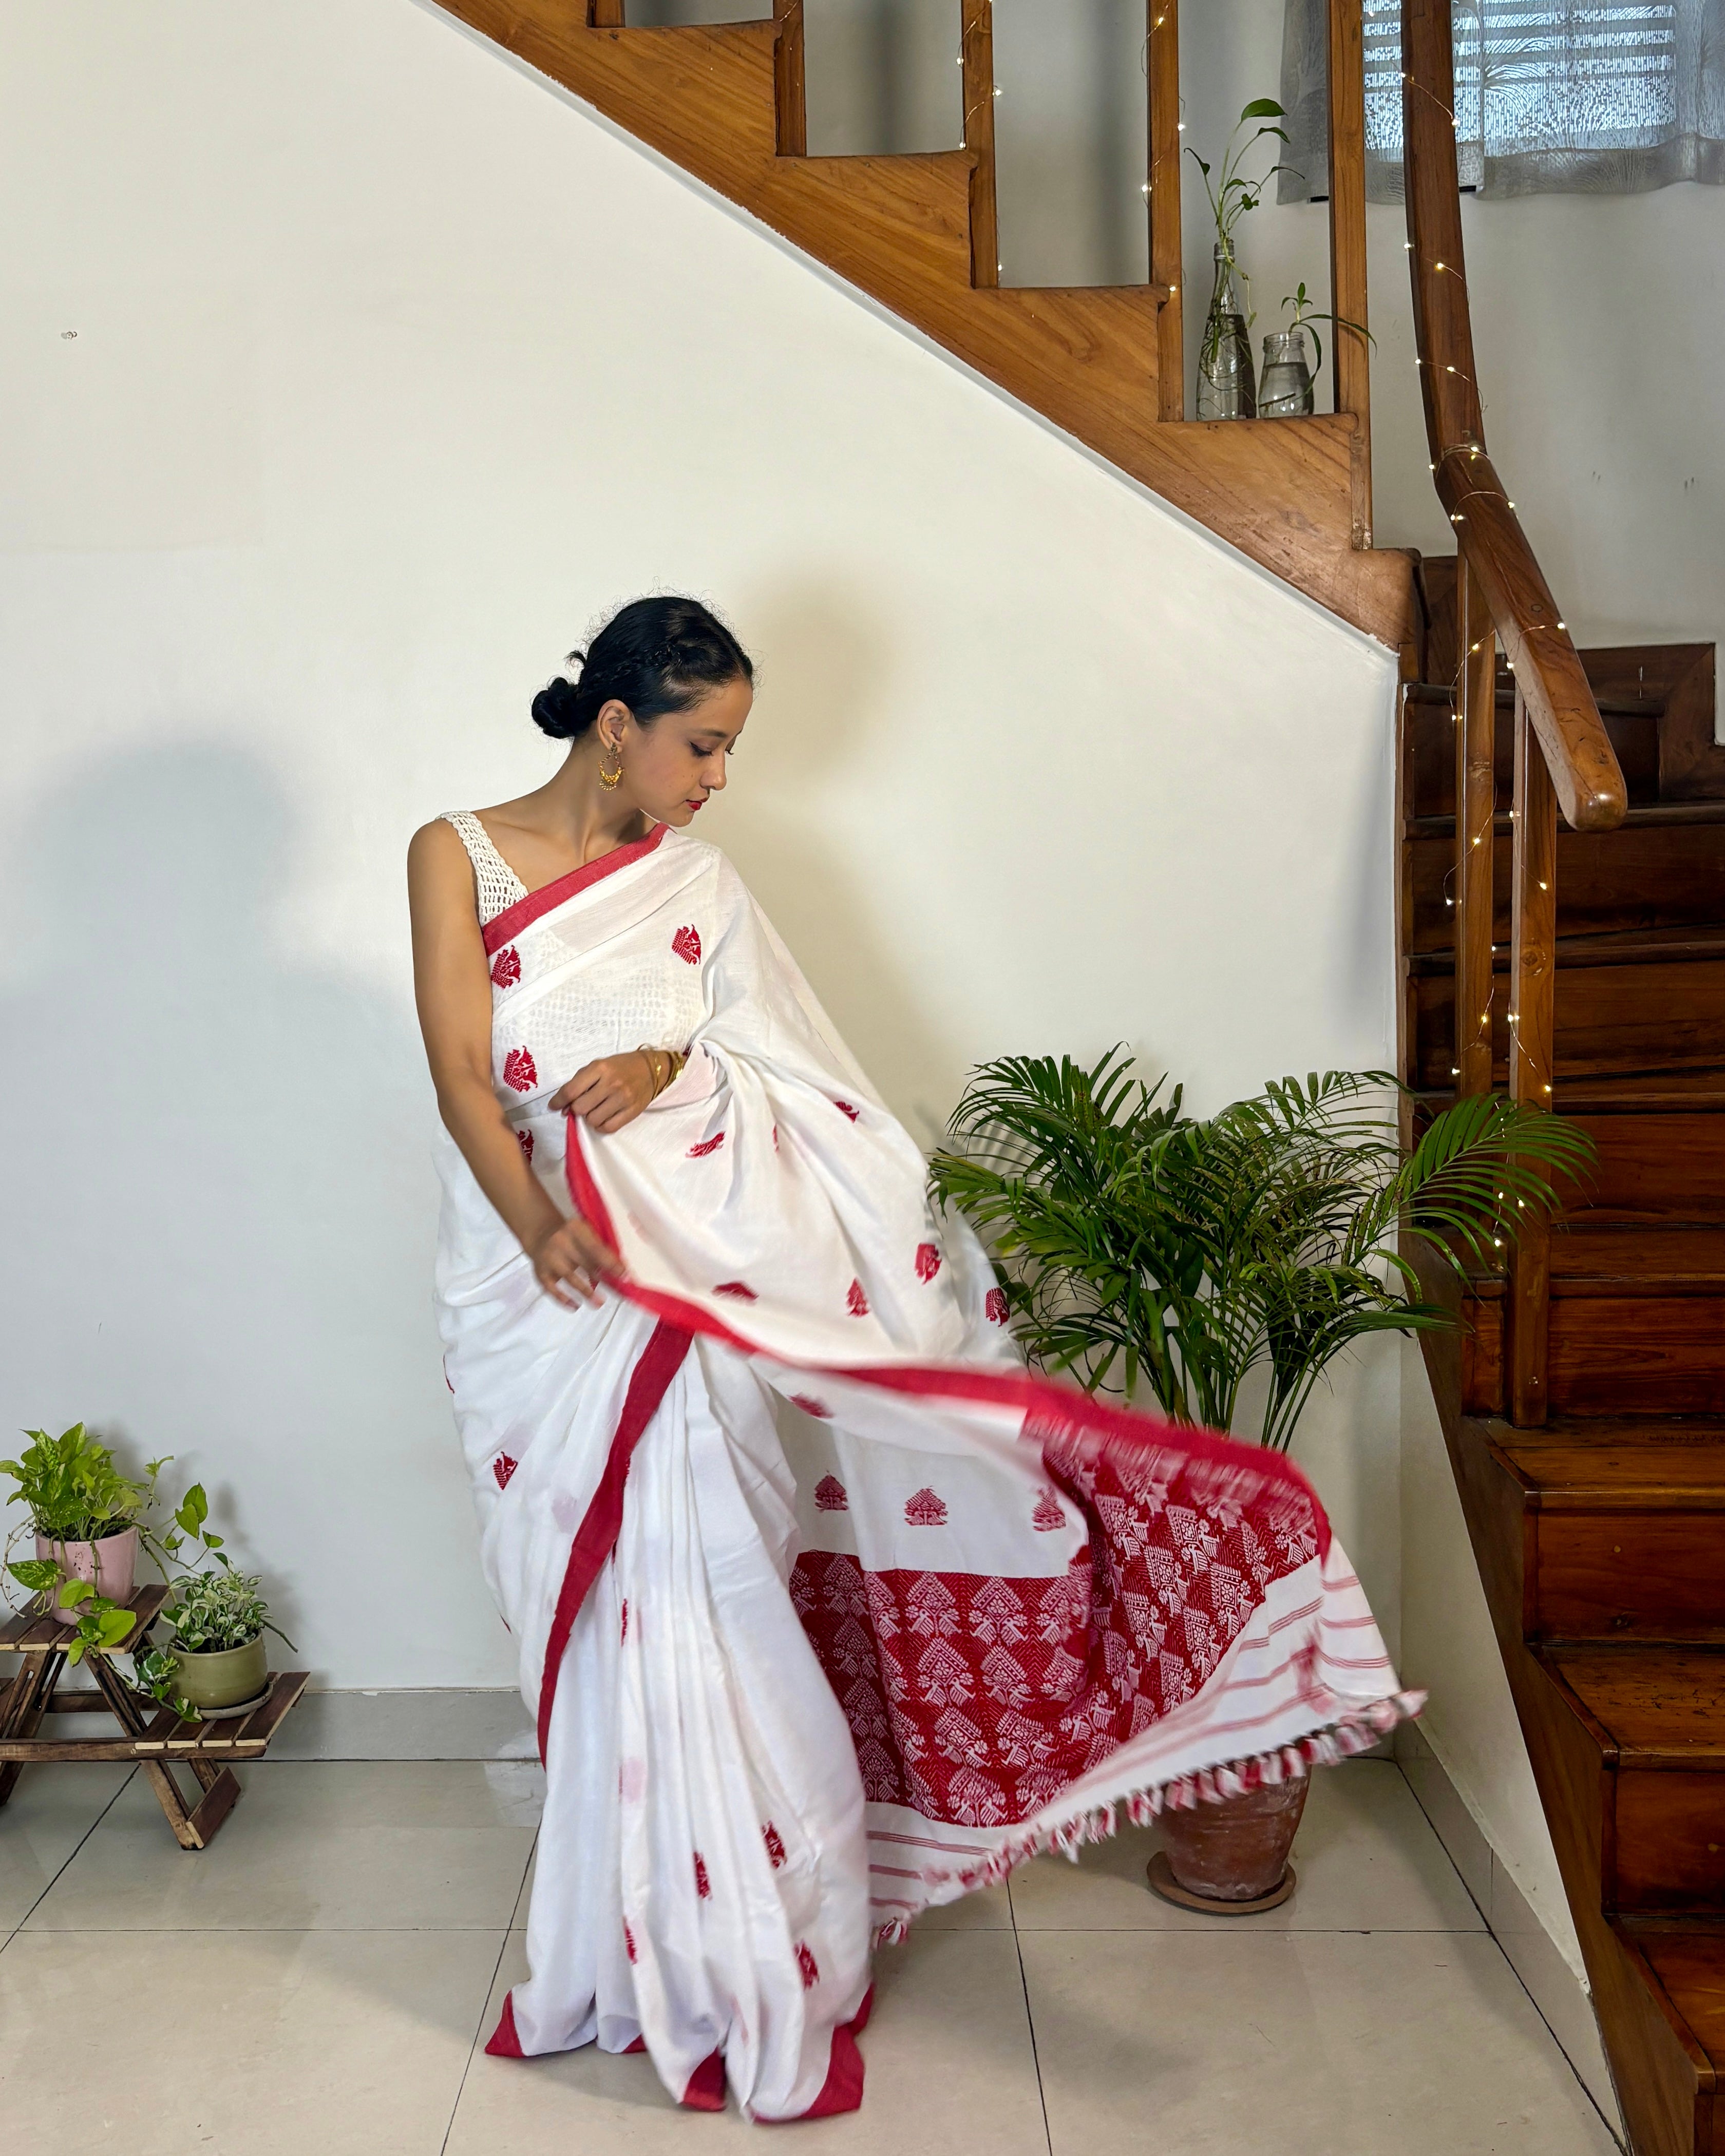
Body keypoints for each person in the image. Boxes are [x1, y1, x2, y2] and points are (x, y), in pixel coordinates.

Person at [407, 596, 1415, 2123]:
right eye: (704, 743)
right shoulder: (456, 854)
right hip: (544, 1283)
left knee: (720, 1595)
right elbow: (463, 1070)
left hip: (700, 1289)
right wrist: (542, 1224)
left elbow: (793, 1065)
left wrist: (677, 1062)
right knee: (610, 1617)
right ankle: (623, 1945)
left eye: (732, 749)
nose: (718, 778)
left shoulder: (703, 884)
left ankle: (761, 1949)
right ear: (618, 725)